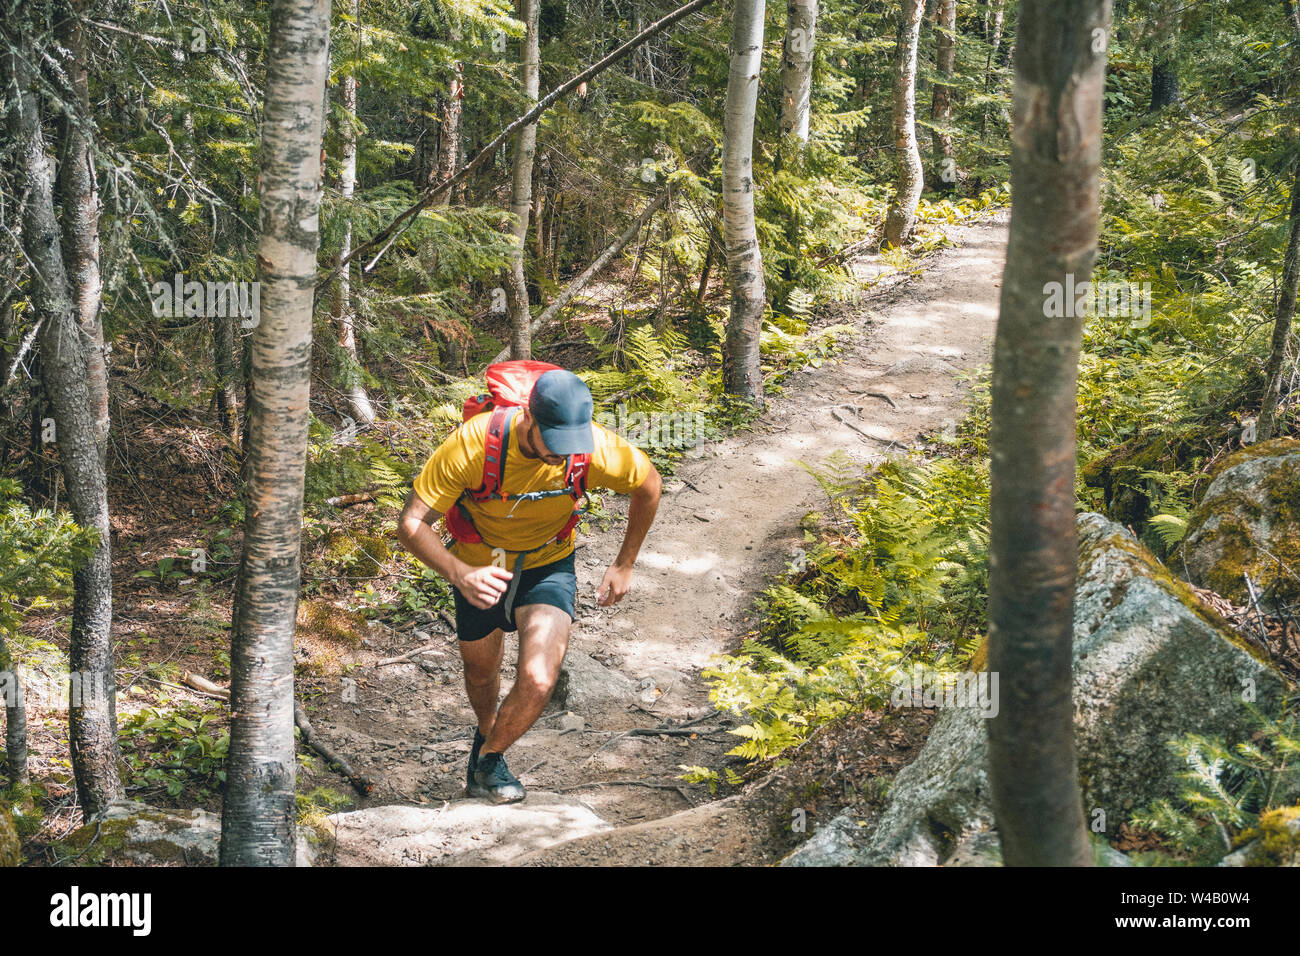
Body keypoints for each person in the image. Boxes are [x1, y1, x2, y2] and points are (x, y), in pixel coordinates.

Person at [397, 368, 662, 803]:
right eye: (552, 444)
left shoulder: (592, 448)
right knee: (481, 672)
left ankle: (489, 759)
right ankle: (486, 731)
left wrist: (624, 563)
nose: (561, 456)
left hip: (547, 563)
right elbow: (410, 524)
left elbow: (649, 486)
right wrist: (459, 574)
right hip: (478, 566)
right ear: (528, 418)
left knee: (539, 679)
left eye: (569, 445)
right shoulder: (473, 446)